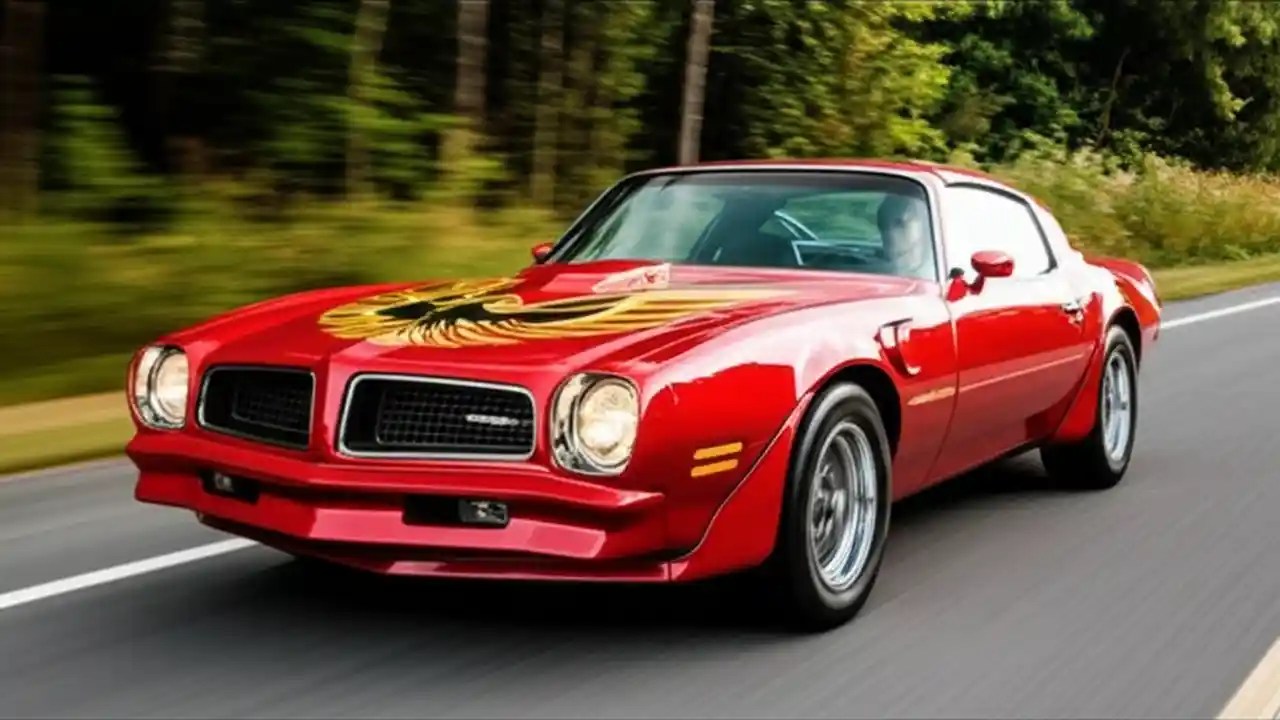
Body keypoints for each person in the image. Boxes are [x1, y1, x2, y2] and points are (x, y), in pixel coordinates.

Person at [876, 193, 934, 280]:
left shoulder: (942, 273)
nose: (891, 234)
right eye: (884, 225)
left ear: (925, 226)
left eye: (900, 224)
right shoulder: (875, 276)